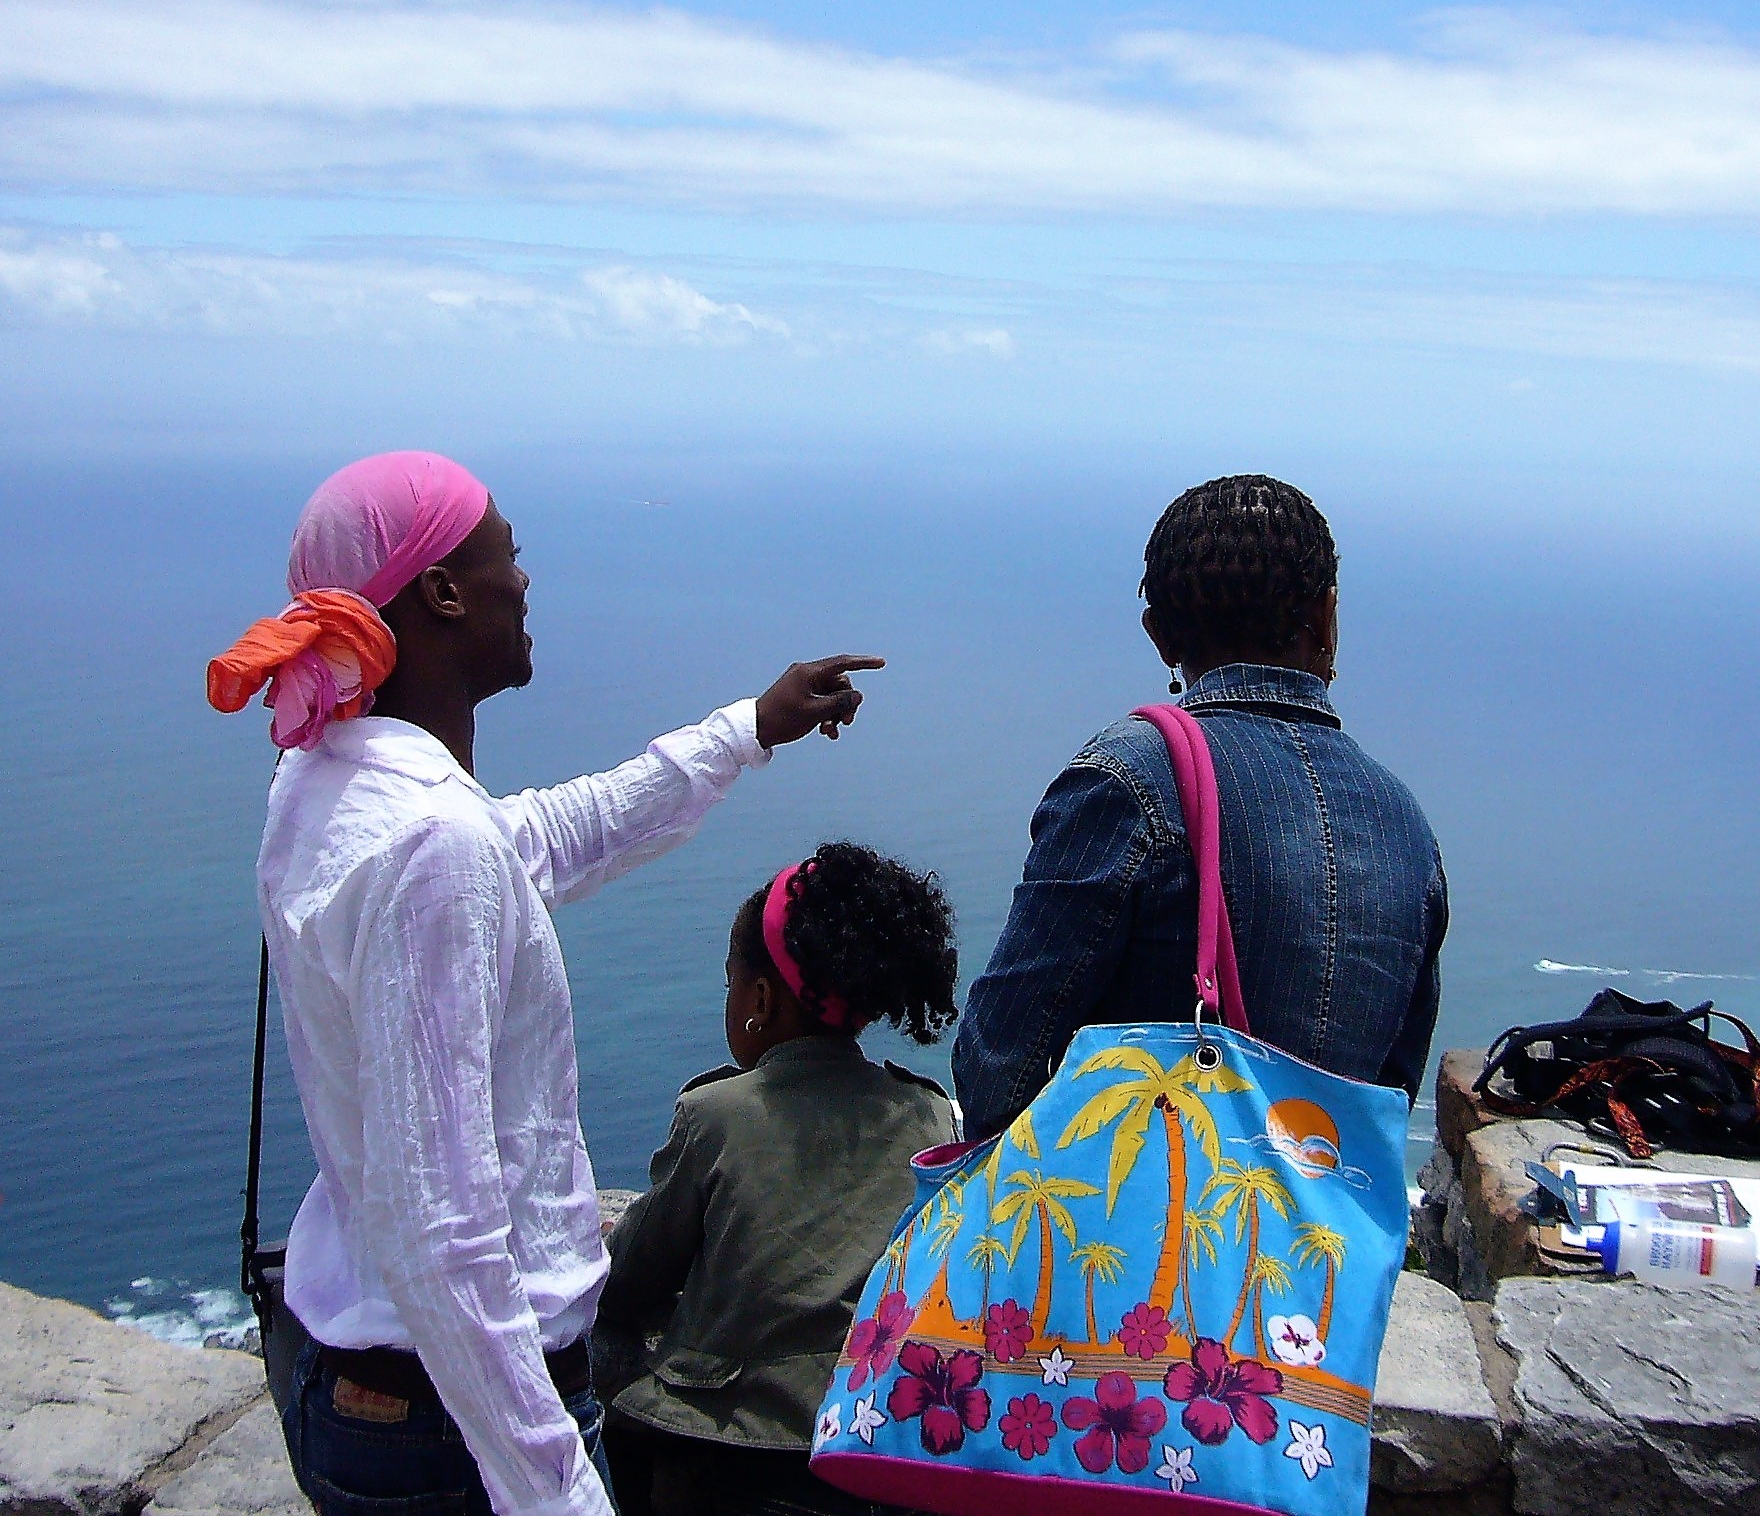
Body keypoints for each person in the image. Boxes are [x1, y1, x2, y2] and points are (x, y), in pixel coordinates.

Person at [207, 451, 883, 1516]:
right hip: (447, 1427)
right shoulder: (431, 843)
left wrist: (747, 729)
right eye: (504, 559)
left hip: (352, 1374)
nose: (522, 583)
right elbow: (443, 1234)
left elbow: (540, 840)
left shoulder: (326, 777)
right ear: (439, 590)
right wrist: (554, 1489)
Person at [952, 473, 1447, 1141]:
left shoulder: (1127, 776)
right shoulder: (1404, 824)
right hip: (1326, 1236)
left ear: (1159, 636)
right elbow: (1392, 1089)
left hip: (1145, 1234)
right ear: (1328, 615)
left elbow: (996, 1063)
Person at [596, 841, 958, 1516]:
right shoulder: (928, 1115)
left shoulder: (717, 1116)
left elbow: (627, 1278)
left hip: (725, 1466)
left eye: (730, 983)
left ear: (760, 998)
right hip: (868, 1453)